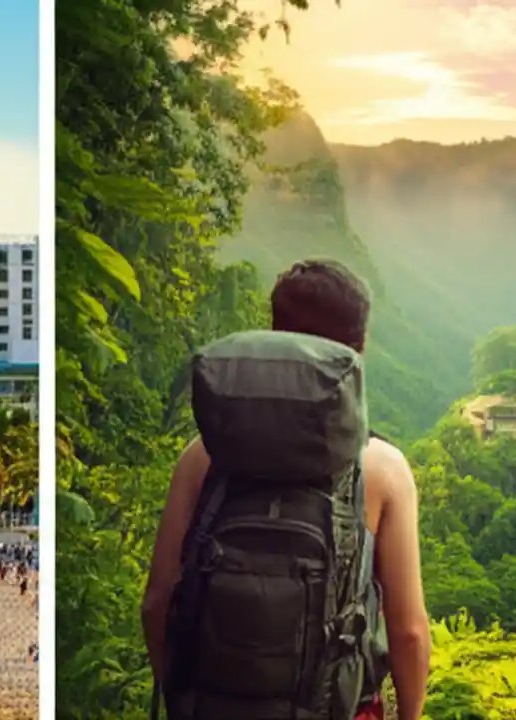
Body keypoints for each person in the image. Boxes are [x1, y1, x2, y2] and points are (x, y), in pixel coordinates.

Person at [141, 260, 431, 720]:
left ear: (274, 335)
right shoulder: (383, 469)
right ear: (360, 350)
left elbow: (158, 602)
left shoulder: (204, 455)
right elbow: (409, 633)